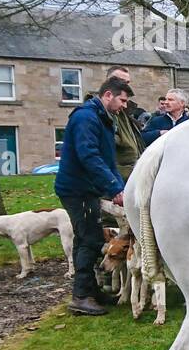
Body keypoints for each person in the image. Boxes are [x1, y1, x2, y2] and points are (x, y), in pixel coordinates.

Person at [54, 77, 131, 316]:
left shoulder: (102, 118)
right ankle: (81, 297)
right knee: (89, 240)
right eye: (122, 100)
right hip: (78, 190)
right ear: (108, 95)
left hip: (87, 188)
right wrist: (114, 188)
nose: (124, 106)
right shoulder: (86, 118)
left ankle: (90, 290)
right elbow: (89, 157)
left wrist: (118, 186)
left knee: (86, 239)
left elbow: (107, 159)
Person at [104, 66, 147, 180]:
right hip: (114, 178)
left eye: (127, 82)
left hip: (130, 175)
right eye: (122, 82)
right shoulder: (102, 109)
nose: (126, 86)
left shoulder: (124, 109)